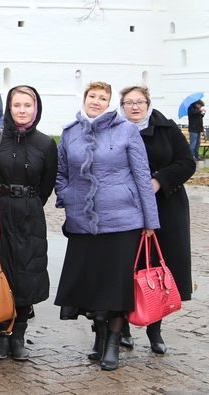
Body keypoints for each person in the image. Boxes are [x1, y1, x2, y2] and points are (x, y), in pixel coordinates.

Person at [54, 81, 159, 371]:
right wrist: (67, 196)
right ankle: (99, 337)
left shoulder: (125, 130)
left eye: (103, 98)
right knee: (91, 284)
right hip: (83, 221)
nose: (96, 101)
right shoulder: (70, 133)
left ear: (109, 103)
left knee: (115, 286)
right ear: (84, 99)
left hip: (122, 221)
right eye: (92, 96)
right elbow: (61, 173)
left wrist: (150, 221)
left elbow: (142, 175)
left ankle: (113, 342)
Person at [118, 85, 194, 355]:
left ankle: (155, 328)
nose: (135, 107)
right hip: (126, 208)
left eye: (140, 102)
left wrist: (159, 180)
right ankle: (122, 327)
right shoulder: (116, 129)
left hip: (165, 207)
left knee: (158, 268)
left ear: (148, 104)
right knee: (126, 266)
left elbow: (187, 162)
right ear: (122, 106)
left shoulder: (166, 128)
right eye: (129, 102)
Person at [0, 86, 57, 360]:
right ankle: (1, 334)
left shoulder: (46, 144)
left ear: (36, 109)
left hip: (29, 215)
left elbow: (47, 184)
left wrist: (28, 203)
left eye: (28, 105)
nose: (22, 110)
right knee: (0, 273)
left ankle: (18, 336)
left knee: (27, 275)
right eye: (17, 105)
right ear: (9, 108)